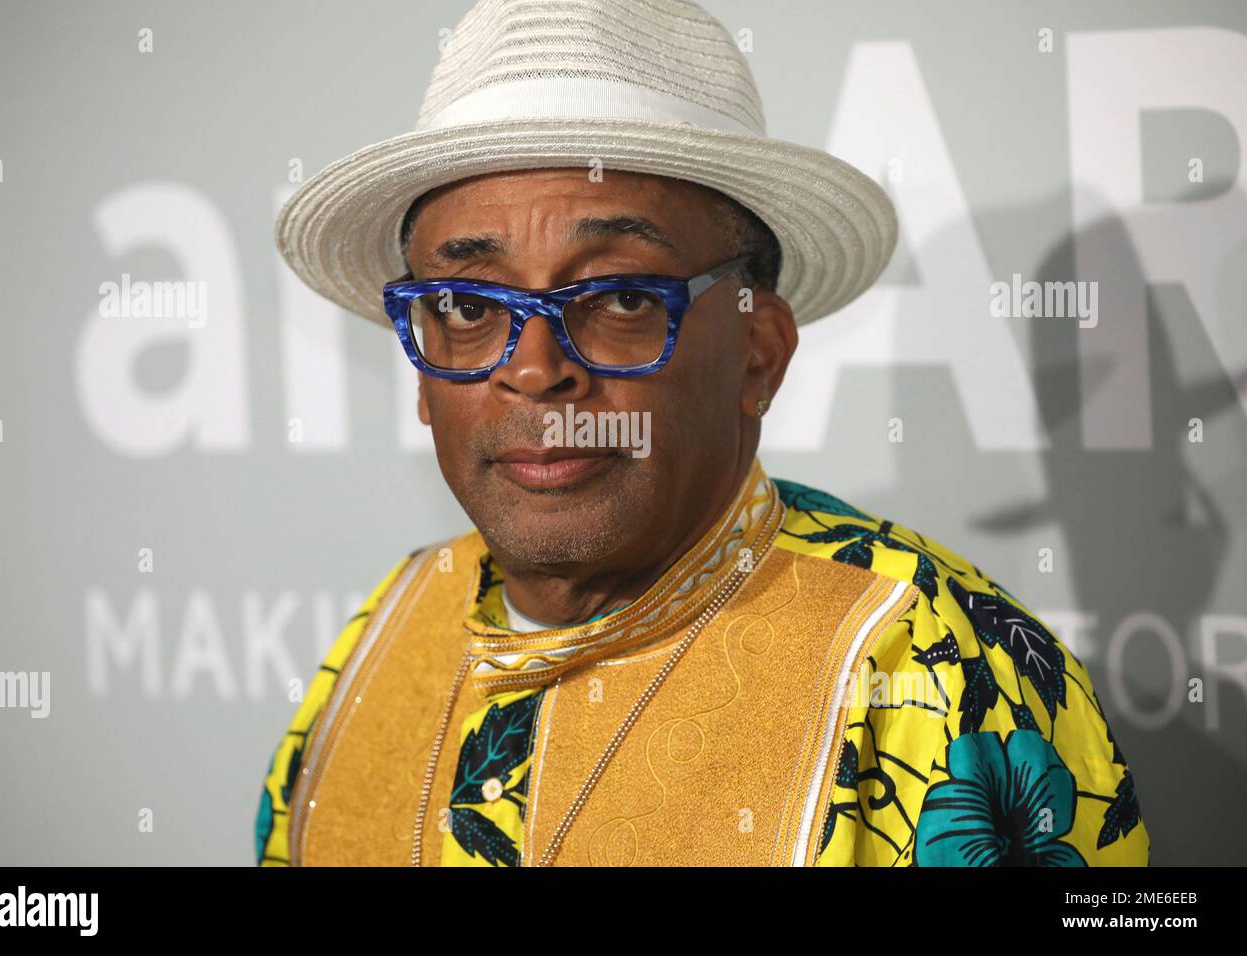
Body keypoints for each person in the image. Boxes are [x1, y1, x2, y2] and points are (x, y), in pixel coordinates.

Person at [255, 0, 1148, 866]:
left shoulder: (934, 662)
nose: (534, 369)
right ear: (421, 373)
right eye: (467, 306)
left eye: (621, 297)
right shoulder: (388, 627)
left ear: (759, 353)